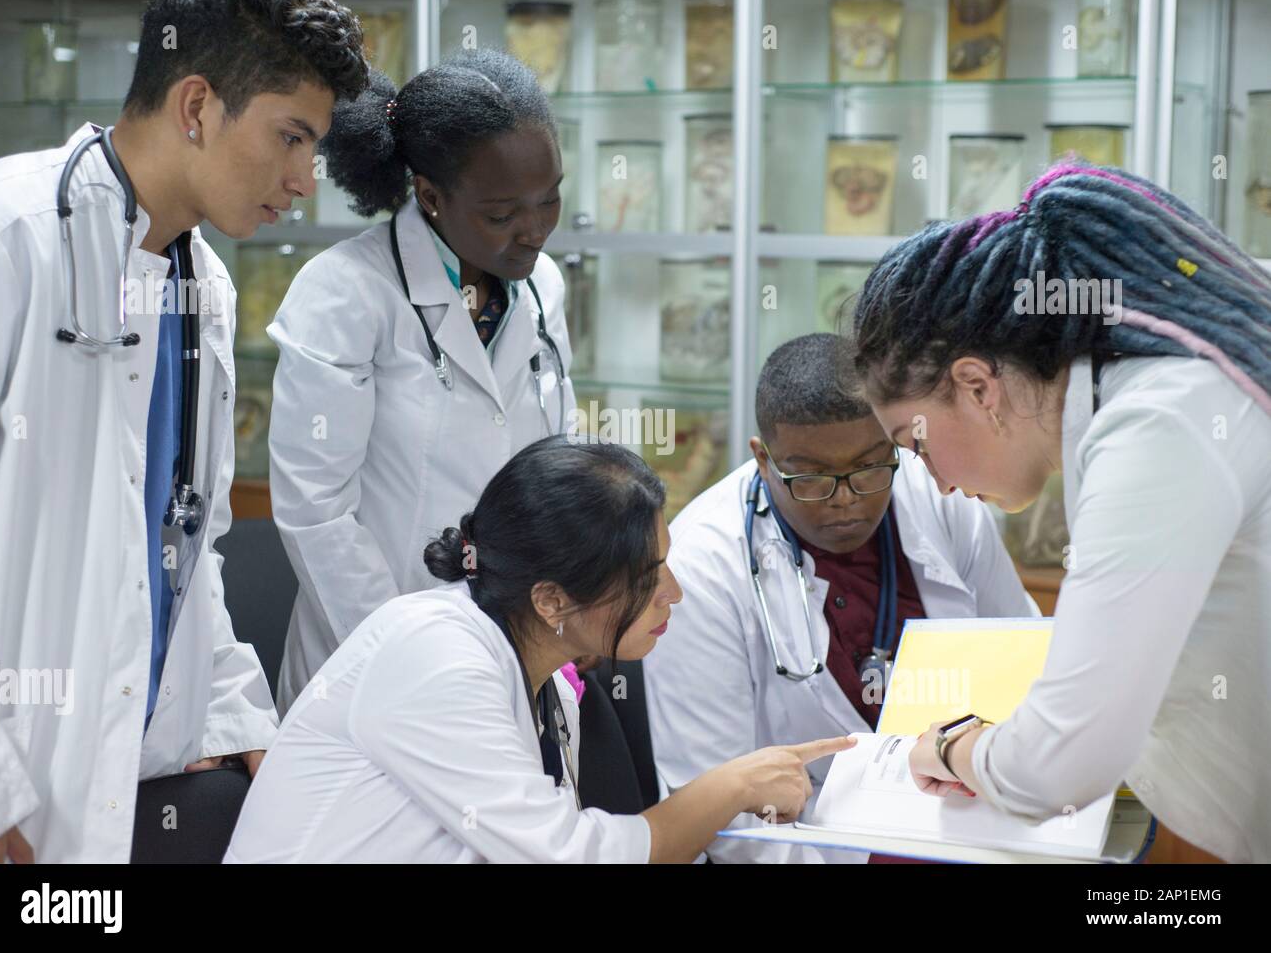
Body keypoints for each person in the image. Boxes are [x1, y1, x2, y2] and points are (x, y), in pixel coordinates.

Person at [0, 0, 368, 863]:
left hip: (141, 780)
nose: (305, 179)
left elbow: (186, 539)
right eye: (291, 137)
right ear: (196, 106)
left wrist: (238, 712)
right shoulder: (1, 237)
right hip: (8, 778)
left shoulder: (206, 290)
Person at [852, 163, 1271, 863]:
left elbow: (1061, 763)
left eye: (914, 443)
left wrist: (952, 745)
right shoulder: (1149, 397)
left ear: (977, 385)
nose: (939, 485)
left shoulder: (1157, 425)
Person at [225, 437, 854, 863]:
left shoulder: (545, 679)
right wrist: (733, 786)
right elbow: (571, 856)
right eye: (646, 577)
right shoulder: (436, 656)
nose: (675, 594)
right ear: (552, 600)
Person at [645, 333, 1037, 863]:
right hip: (816, 846)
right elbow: (723, 811)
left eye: (870, 469)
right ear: (764, 459)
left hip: (967, 822)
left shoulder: (943, 500)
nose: (847, 500)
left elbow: (1022, 658)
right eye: (812, 478)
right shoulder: (704, 567)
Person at [266, 49, 576, 714]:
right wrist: (412, 656)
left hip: (516, 652)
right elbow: (316, 512)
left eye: (549, 199)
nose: (535, 232)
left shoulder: (542, 287)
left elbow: (554, 474)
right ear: (431, 196)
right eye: (502, 213)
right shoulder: (347, 293)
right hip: (372, 662)